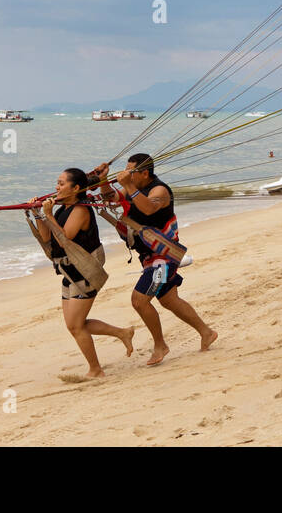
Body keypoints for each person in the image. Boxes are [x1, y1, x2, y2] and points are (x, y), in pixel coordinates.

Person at [104, 155, 217, 365]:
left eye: (131, 171)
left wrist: (128, 184)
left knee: (139, 300)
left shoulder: (160, 191)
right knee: (169, 300)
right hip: (149, 256)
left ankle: (160, 345)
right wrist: (101, 181)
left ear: (144, 173)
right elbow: (111, 197)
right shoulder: (132, 188)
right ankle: (206, 332)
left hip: (164, 256)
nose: (127, 174)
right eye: (126, 171)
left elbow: (148, 208)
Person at [30, 167, 133, 378]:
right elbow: (47, 237)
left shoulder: (81, 210)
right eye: (57, 183)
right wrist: (38, 214)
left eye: (61, 183)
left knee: (76, 326)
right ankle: (122, 333)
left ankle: (96, 369)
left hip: (85, 273)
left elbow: (64, 239)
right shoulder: (62, 209)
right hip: (69, 273)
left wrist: (48, 213)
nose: (56, 187)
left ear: (76, 188)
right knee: (74, 325)